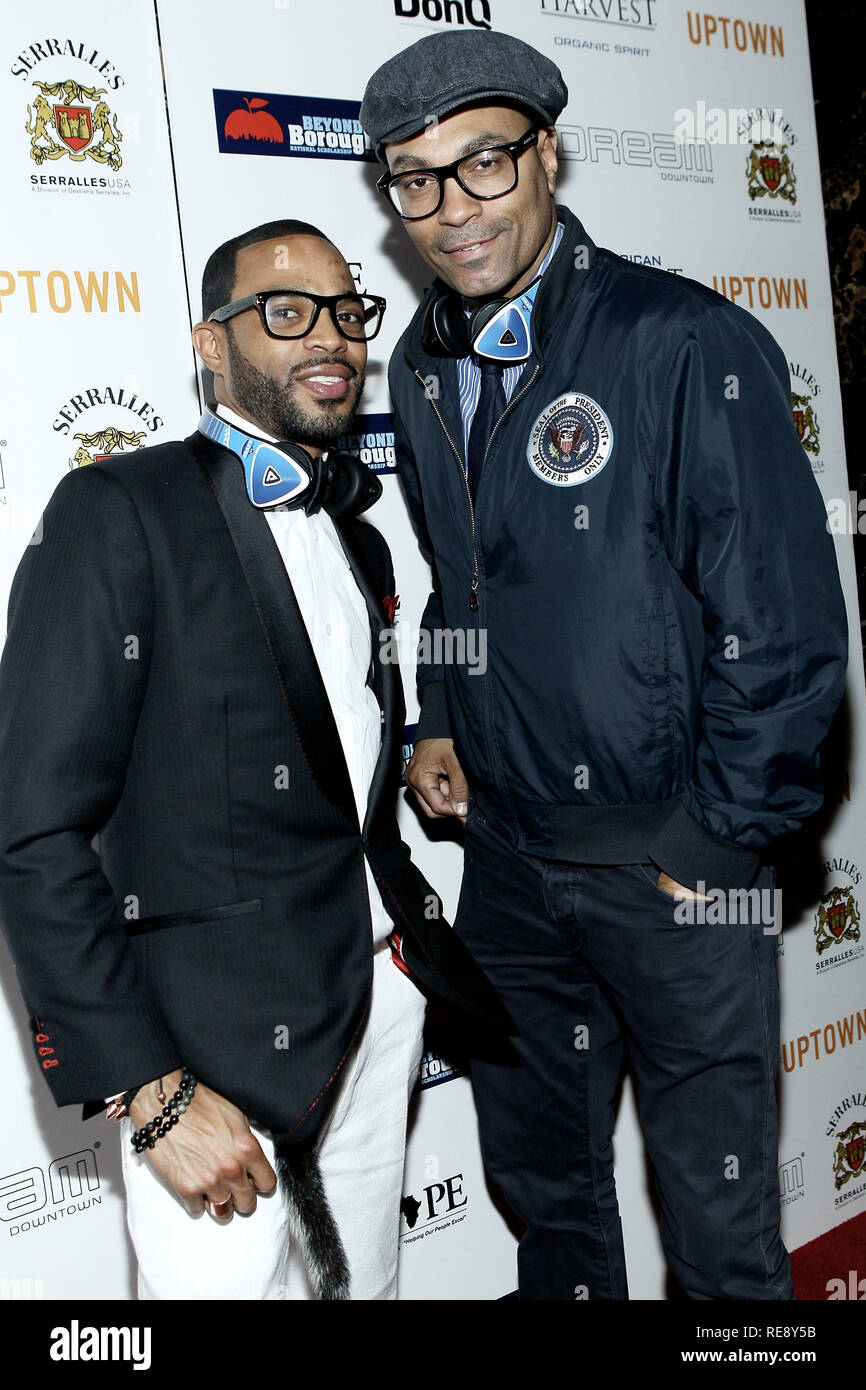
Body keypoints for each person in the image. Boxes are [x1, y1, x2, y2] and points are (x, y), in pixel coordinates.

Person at [360, 32, 849, 1300]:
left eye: (481, 165)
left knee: (718, 1232)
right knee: (548, 1205)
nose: (451, 210)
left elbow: (784, 627)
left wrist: (717, 840)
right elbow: (453, 575)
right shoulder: (417, 364)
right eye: (414, 180)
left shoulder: (679, 340)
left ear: (545, 154)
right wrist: (434, 714)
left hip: (669, 872)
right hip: (512, 868)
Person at [0, 218, 502, 1302]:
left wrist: (412, 751)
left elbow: (328, 749)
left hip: (377, 1004)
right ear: (209, 343)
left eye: (345, 310)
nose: (328, 337)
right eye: (284, 311)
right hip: (212, 1051)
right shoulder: (119, 511)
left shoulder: (357, 534)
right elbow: (30, 824)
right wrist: (151, 1090)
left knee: (366, 1288)